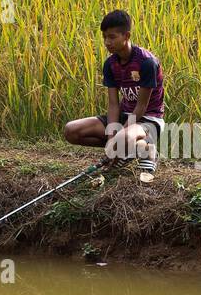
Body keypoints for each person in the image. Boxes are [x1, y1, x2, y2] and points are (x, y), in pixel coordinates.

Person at [62, 9, 165, 183]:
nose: (107, 42)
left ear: (126, 36)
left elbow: (141, 107)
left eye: (112, 37)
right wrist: (111, 139)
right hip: (125, 118)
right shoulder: (110, 64)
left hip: (148, 120)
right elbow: (113, 104)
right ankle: (131, 148)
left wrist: (119, 138)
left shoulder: (147, 63)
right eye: (104, 37)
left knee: (122, 139)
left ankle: (145, 146)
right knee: (71, 131)